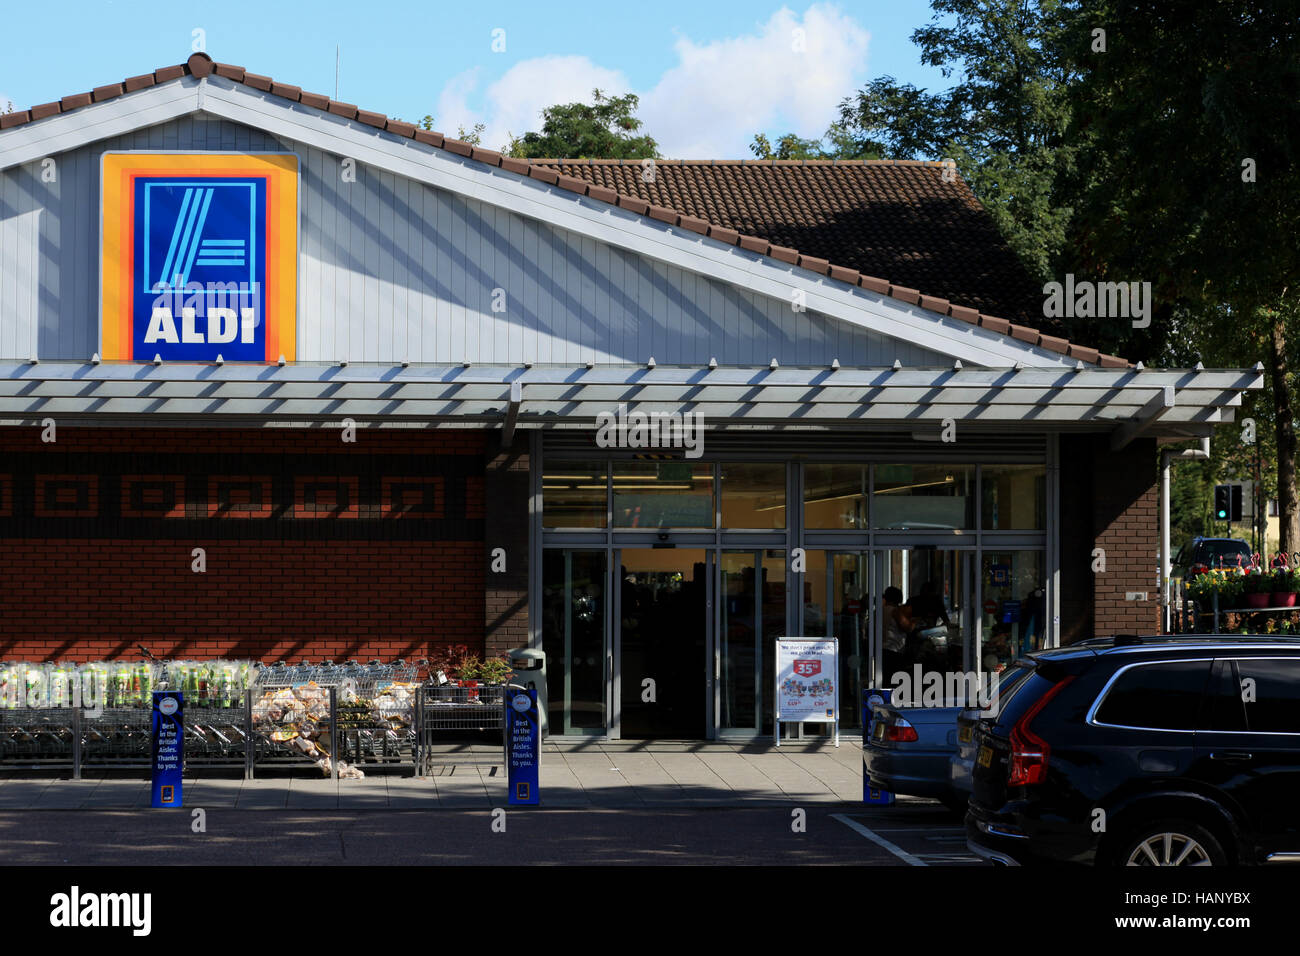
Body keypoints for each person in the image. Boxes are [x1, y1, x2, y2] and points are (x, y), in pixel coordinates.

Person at [881, 586, 912, 686]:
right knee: (894, 682)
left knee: (884, 681)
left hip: (880, 650)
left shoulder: (878, 611)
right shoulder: (895, 612)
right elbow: (907, 627)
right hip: (893, 651)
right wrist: (915, 622)